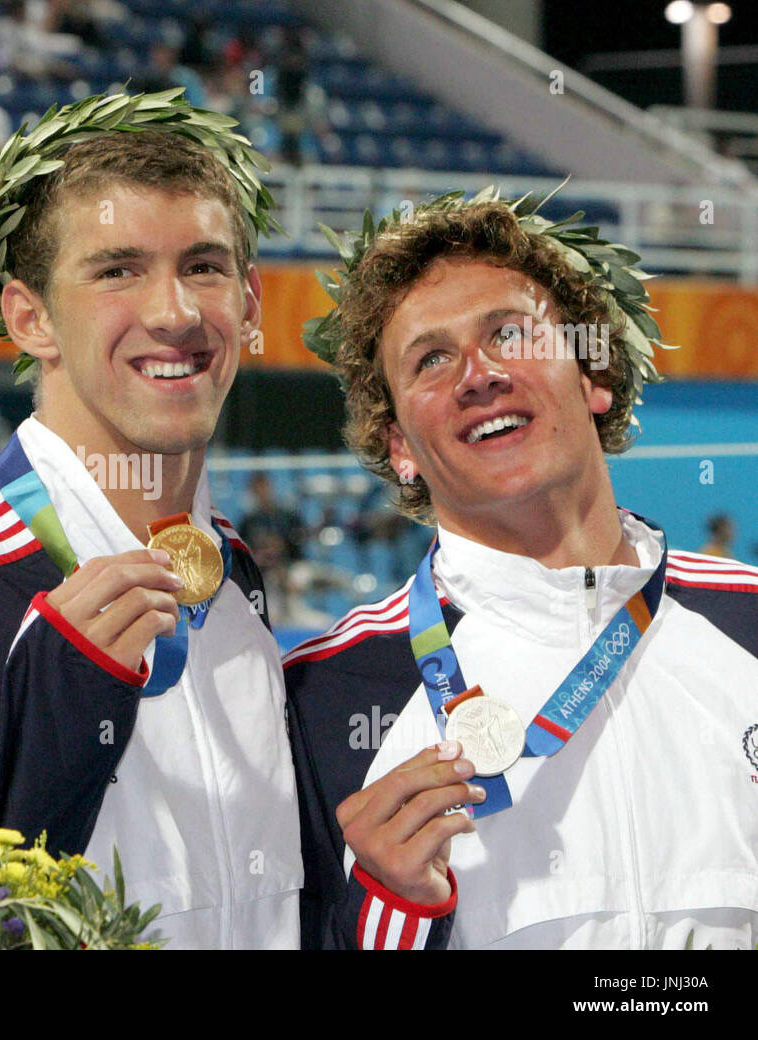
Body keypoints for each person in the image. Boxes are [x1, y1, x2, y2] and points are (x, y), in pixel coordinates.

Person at [286, 187, 758, 949]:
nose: (479, 373)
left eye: (510, 333)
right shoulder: (327, 696)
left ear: (594, 377)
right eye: (431, 358)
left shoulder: (747, 626)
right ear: (399, 446)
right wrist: (388, 914)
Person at [0, 90, 303, 948]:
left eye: (204, 266)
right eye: (117, 270)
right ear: (29, 316)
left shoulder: (233, 581)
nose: (176, 313)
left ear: (250, 303)